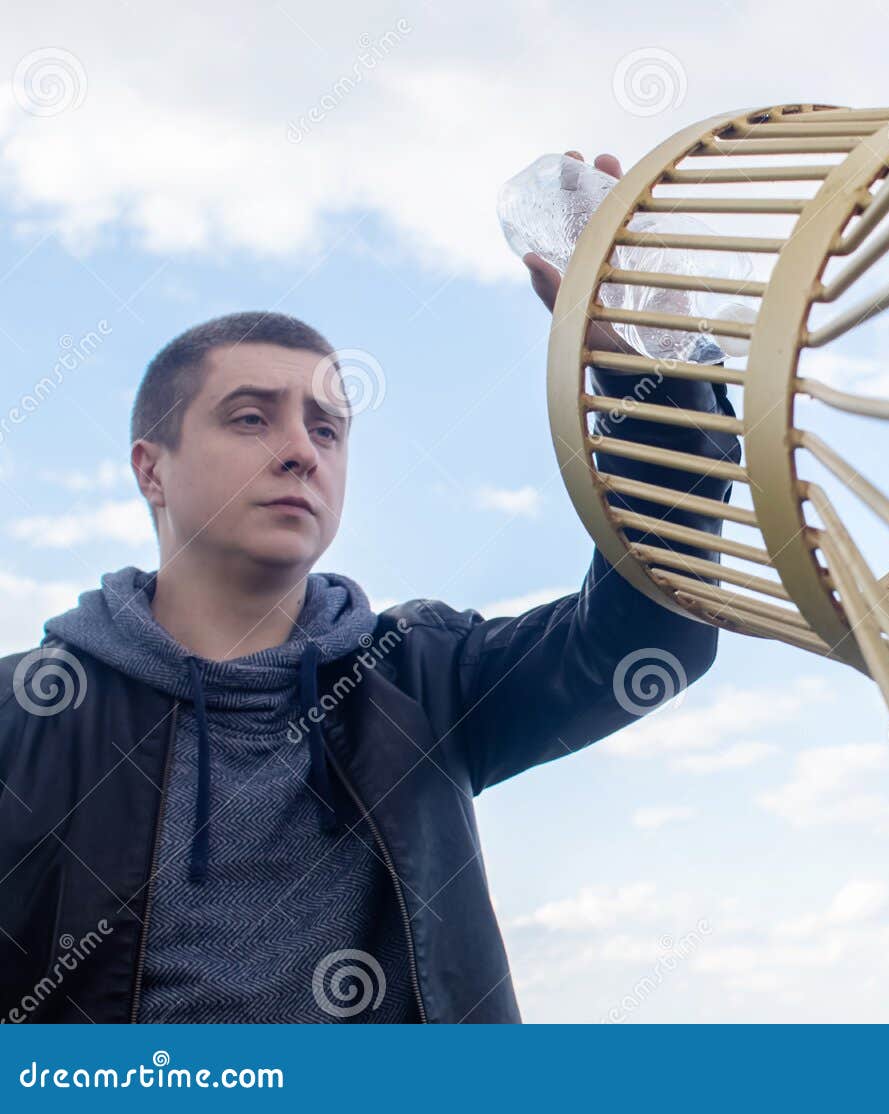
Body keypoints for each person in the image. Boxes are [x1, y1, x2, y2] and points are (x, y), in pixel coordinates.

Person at [0, 153, 740, 1024]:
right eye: (251, 417)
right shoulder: (25, 719)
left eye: (327, 428)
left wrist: (653, 385)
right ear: (150, 470)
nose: (301, 450)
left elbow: (644, 642)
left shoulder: (422, 678)